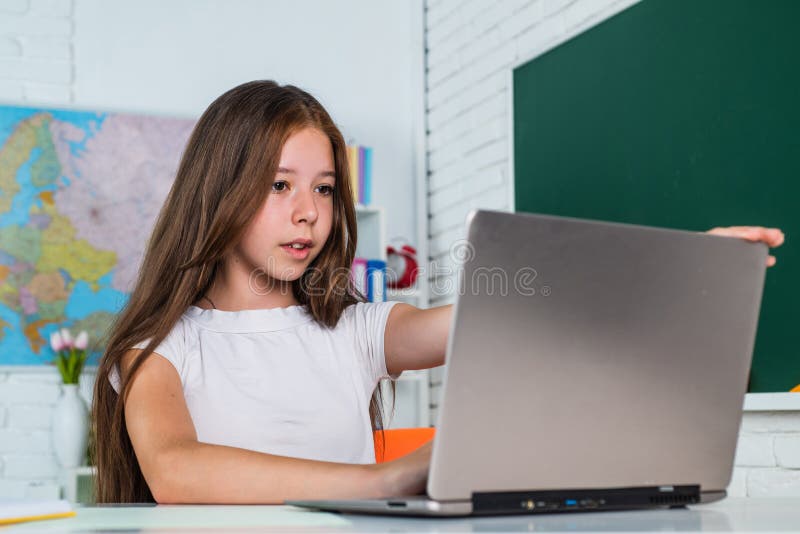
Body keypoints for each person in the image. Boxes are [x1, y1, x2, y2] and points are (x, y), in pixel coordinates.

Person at [92, 80, 785, 505]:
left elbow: (510, 319)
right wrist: (382, 483)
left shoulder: (356, 330)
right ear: (219, 191)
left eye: (325, 189)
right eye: (280, 185)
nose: (308, 211)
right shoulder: (158, 348)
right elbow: (178, 472)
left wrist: (675, 267)